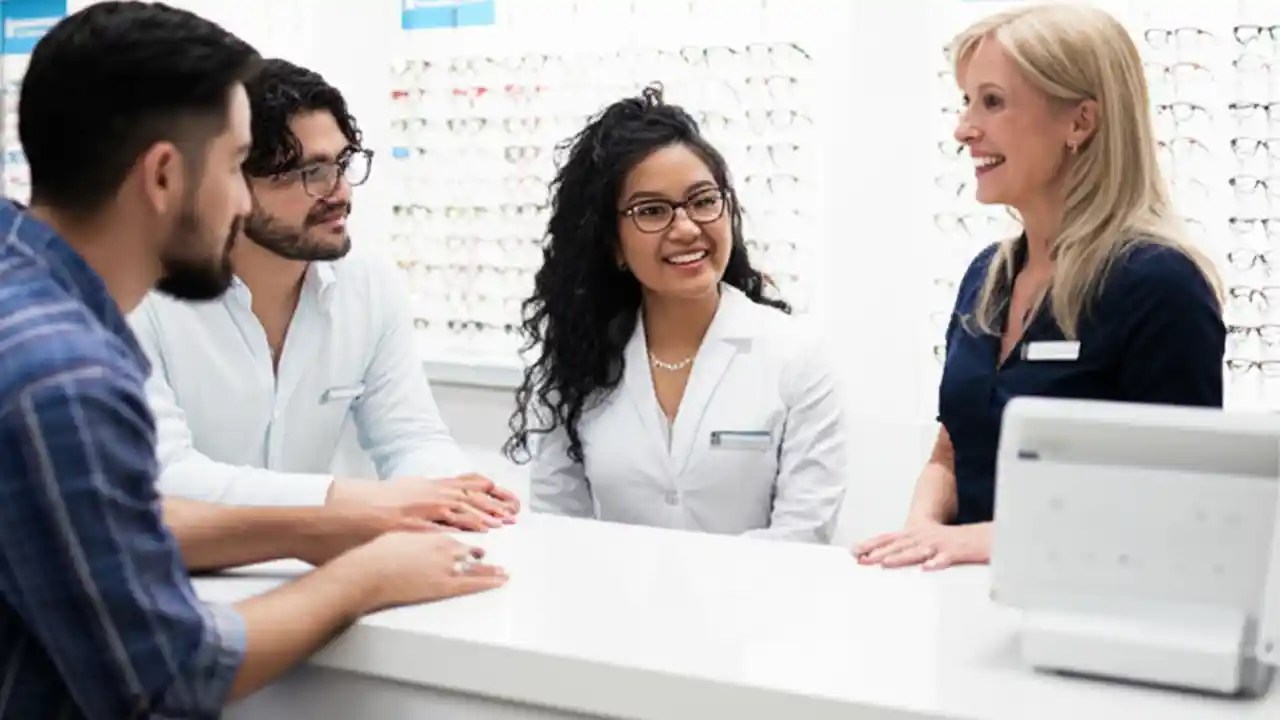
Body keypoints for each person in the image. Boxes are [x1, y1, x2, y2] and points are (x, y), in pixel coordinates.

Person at [0, 5, 506, 718]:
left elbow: (122, 523)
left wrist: (320, 526)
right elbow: (162, 681)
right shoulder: (65, 376)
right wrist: (361, 576)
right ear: (164, 176)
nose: (238, 201)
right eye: (239, 165)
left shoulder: (24, 296)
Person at [854, 3, 1225, 571]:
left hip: (1088, 616)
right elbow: (952, 449)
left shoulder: (1160, 286)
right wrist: (923, 529)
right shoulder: (987, 277)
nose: (963, 129)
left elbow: (1180, 504)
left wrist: (979, 542)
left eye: (993, 102)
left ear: (1080, 122)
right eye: (966, 102)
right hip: (963, 606)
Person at [129, 58, 518, 532]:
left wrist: (456, 493)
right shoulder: (140, 299)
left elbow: (410, 438)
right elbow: (167, 477)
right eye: (312, 172)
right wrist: (354, 501)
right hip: (178, 579)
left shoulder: (369, 287)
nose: (341, 192)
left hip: (311, 572)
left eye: (343, 164)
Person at [504, 86, 848, 543]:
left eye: (703, 201)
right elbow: (559, 528)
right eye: (651, 210)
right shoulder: (574, 365)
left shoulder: (796, 359)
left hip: (756, 607)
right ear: (613, 244)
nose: (686, 228)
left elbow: (804, 531)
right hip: (612, 609)